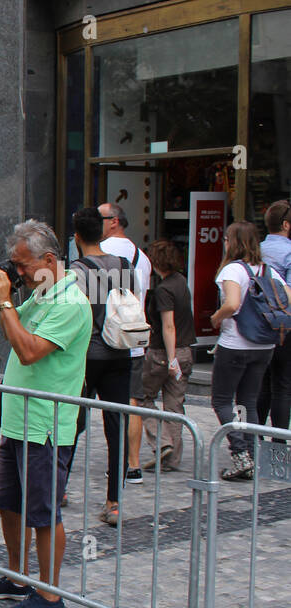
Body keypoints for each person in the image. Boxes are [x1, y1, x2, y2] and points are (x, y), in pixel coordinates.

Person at [0, 220, 92, 608]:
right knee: (9, 504)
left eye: (23, 266)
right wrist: (4, 298)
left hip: (46, 424)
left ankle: (50, 595)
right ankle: (18, 577)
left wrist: (6, 301)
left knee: (43, 513)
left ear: (48, 259)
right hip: (15, 419)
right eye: (15, 265)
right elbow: (9, 327)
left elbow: (27, 350)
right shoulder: (42, 295)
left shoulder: (70, 303)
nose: (18, 273)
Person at [209, 221, 291, 479]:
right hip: (264, 345)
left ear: (233, 243)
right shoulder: (268, 270)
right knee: (247, 401)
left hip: (235, 344)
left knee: (222, 400)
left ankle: (241, 454)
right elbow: (287, 297)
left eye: (226, 239)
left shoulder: (233, 270)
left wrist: (216, 317)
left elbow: (232, 303)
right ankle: (253, 454)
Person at [70, 206, 133, 526]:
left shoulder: (76, 270)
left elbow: (71, 315)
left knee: (70, 420)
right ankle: (114, 502)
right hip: (120, 354)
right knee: (116, 426)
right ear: (104, 231)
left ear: (78, 236)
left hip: (87, 356)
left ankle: (59, 488)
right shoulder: (124, 265)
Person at [99, 202, 152, 483]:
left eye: (101, 218)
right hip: (132, 338)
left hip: (103, 340)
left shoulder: (101, 252)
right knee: (131, 402)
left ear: (114, 221)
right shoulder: (141, 256)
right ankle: (133, 464)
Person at [138, 240, 195, 470]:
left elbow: (168, 326)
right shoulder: (181, 282)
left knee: (141, 397)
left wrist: (171, 358)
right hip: (186, 350)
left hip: (163, 352)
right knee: (174, 405)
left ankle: (162, 443)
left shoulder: (163, 290)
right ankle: (172, 458)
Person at [257, 200, 291, 436]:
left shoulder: (256, 249)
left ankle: (255, 438)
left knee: (261, 384)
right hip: (284, 326)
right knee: (282, 385)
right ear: (286, 224)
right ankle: (279, 443)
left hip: (258, 324)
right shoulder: (289, 252)